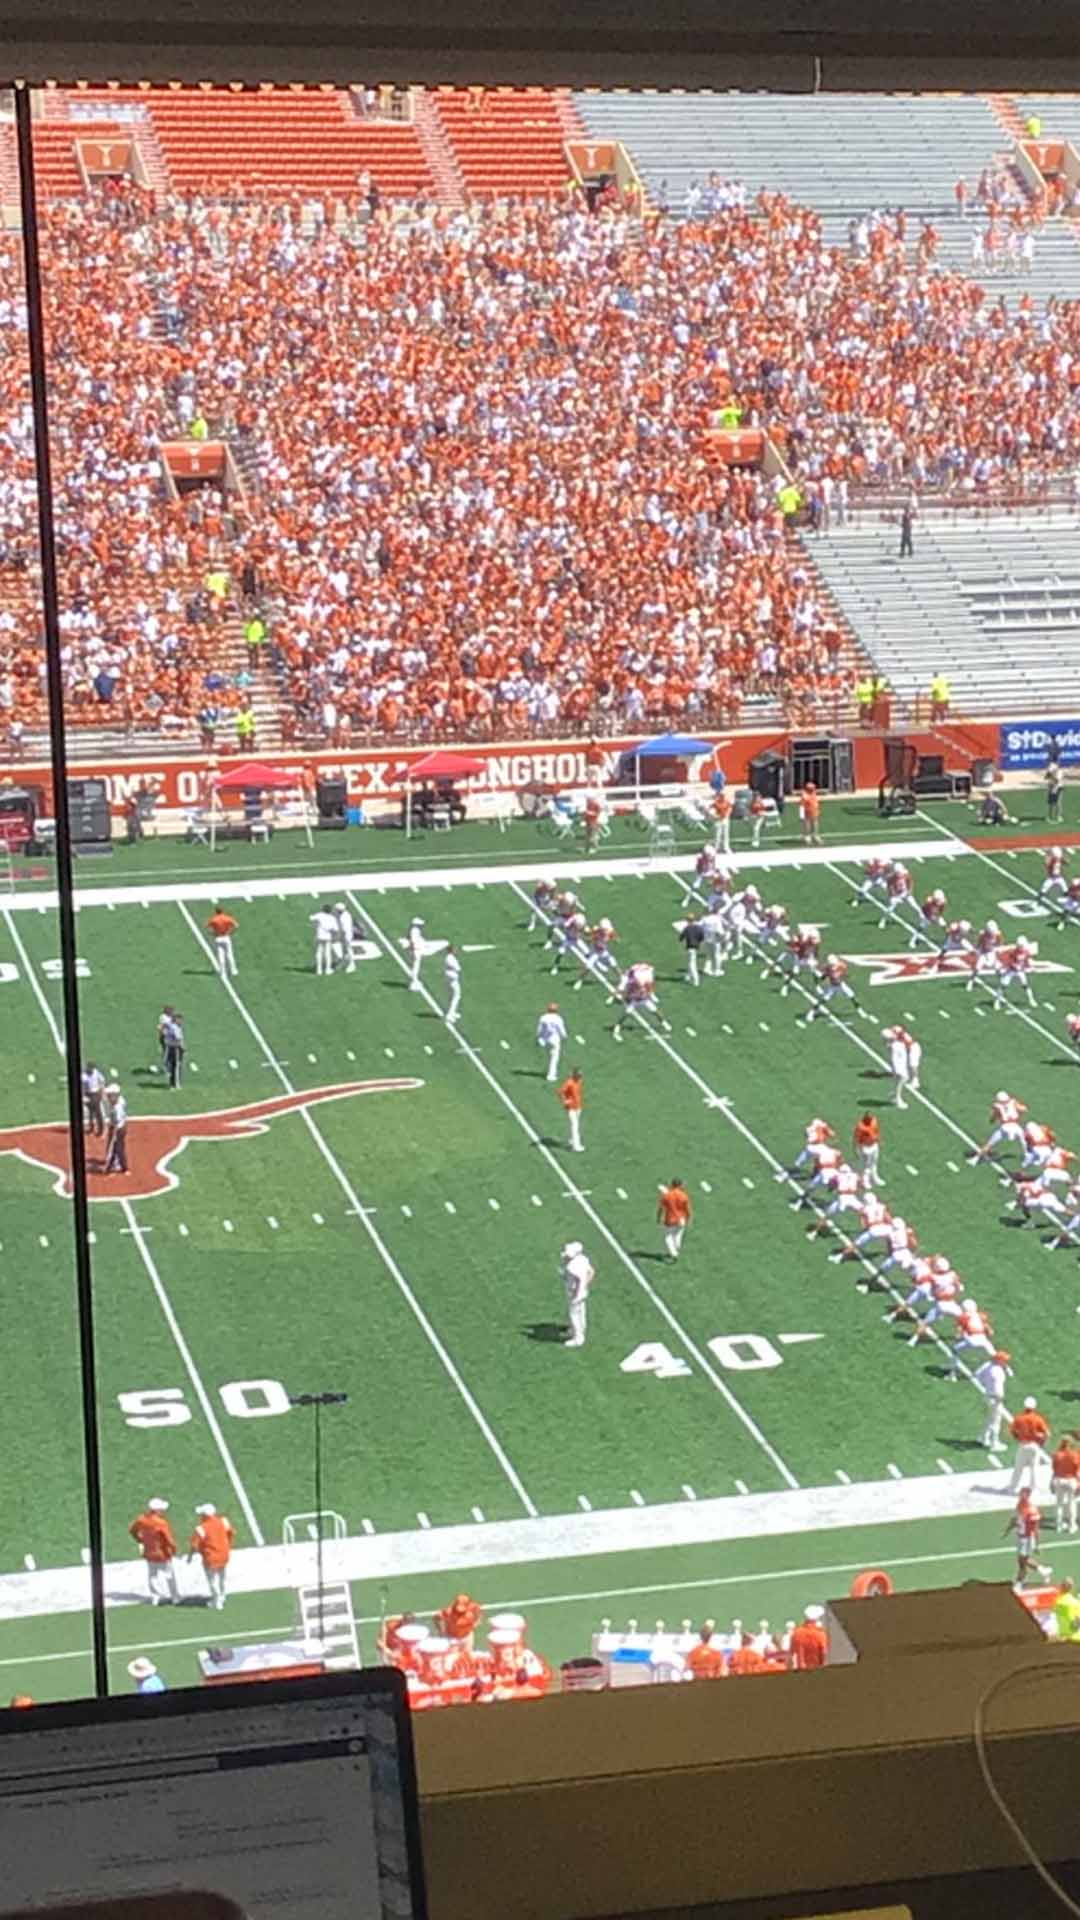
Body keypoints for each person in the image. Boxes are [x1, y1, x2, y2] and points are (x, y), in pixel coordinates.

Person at [129, 1496, 179, 1605]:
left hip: (149, 1552)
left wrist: (140, 1539)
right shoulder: (161, 1523)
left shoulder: (142, 1519)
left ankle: (155, 1597)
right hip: (163, 1553)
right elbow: (168, 1538)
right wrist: (174, 1549)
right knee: (169, 1575)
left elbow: (132, 1530)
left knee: (152, 1576)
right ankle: (174, 1596)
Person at [188, 1503, 235, 1610]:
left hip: (210, 1558)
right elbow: (231, 1533)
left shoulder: (201, 1528)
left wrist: (190, 1557)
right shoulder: (224, 1521)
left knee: (212, 1580)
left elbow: (194, 1545)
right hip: (224, 1554)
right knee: (222, 1576)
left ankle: (217, 1601)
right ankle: (223, 1595)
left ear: (204, 1515)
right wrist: (228, 1546)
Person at [1006, 1489, 1052, 1586]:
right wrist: (1009, 1528)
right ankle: (1042, 1571)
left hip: (1027, 1539)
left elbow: (1035, 1529)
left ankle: (1020, 1582)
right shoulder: (1019, 1505)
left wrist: (1037, 1545)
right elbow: (1015, 1519)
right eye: (1020, 1494)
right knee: (1021, 1561)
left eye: (1024, 1495)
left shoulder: (1032, 1510)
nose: (1021, 1496)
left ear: (1028, 1496)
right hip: (1020, 1536)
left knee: (1023, 1560)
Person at [1009, 1395, 1052, 1493]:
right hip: (1034, 1445)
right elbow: (1047, 1434)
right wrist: (1042, 1442)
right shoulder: (1038, 1419)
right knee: (1034, 1468)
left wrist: (1019, 1438)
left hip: (1023, 1444)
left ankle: (1013, 1487)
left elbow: (1012, 1431)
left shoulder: (1019, 1418)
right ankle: (1034, 1488)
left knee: (1018, 1467)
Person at [975, 1350, 1013, 1453]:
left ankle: (983, 1437)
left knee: (988, 1418)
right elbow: (998, 1390)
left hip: (987, 1395)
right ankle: (994, 1443)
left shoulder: (987, 1366)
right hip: (995, 1398)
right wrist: (1000, 1399)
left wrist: (986, 1385)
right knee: (995, 1421)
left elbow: (977, 1375)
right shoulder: (998, 1373)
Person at [560, 1240, 595, 1348]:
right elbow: (591, 1272)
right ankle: (580, 1329)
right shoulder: (583, 1259)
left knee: (574, 1314)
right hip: (582, 1291)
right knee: (581, 1311)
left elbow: (579, 1280)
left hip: (575, 1293)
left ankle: (577, 1338)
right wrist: (585, 1285)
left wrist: (576, 1292)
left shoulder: (572, 1267)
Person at [883, 1024, 922, 1109]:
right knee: (903, 1078)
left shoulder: (898, 1041)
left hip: (912, 1050)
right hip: (899, 1065)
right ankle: (897, 1097)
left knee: (911, 1066)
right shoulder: (896, 1044)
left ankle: (914, 1081)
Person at [657, 1178, 692, 1260]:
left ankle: (673, 1253)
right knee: (678, 1234)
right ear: (680, 1185)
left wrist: (658, 1218)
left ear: (672, 1185)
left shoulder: (667, 1196)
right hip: (681, 1219)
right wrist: (689, 1219)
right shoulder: (684, 1196)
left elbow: (661, 1209)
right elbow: (688, 1210)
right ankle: (677, 1247)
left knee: (668, 1237)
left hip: (670, 1219)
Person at [1052, 1435, 1080, 1536]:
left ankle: (1058, 1525)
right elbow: (1077, 1470)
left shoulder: (1057, 1454)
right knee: (1071, 1503)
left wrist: (1051, 1481)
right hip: (1071, 1480)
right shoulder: (1075, 1455)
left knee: (1059, 1504)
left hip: (1059, 1479)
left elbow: (1054, 1469)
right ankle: (1071, 1526)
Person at [788, 1604, 828, 1670]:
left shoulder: (796, 1633)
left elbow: (790, 1656)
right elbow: (824, 1654)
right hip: (817, 1671)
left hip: (800, 1672)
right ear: (817, 1619)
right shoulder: (820, 1634)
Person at [536, 1003, 567, 1083]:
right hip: (555, 1039)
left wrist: (539, 1037)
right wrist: (564, 1036)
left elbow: (540, 1029)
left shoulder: (543, 1017)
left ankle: (549, 1072)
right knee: (554, 1058)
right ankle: (551, 1075)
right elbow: (561, 1030)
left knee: (550, 1056)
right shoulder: (558, 1019)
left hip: (546, 1039)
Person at [853, 1112, 884, 1190]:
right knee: (866, 1166)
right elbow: (856, 1138)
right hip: (865, 1147)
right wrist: (857, 1148)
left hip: (874, 1145)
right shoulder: (861, 1126)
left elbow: (877, 1132)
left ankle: (875, 1177)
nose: (870, 1120)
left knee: (874, 1163)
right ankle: (865, 1181)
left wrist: (879, 1141)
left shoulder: (874, 1121)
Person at [206, 905, 239, 980]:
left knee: (221, 956)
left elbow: (207, 927)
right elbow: (236, 925)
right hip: (226, 937)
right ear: (222, 911)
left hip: (218, 938)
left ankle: (223, 973)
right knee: (229, 954)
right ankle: (233, 970)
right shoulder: (227, 918)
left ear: (216, 912)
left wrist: (213, 933)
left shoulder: (213, 919)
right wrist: (230, 932)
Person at [558, 1067, 584, 1153]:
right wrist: (565, 1101)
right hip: (571, 1108)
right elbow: (560, 1091)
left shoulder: (579, 1081)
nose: (580, 1077)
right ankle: (576, 1146)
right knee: (575, 1125)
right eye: (579, 1076)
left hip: (578, 1106)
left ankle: (572, 1140)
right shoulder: (569, 1082)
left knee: (576, 1124)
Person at [104, 1082, 129, 1174]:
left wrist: (113, 1132)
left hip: (119, 1128)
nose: (108, 1097)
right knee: (115, 1146)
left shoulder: (117, 1107)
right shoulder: (119, 1101)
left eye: (110, 1095)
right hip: (117, 1126)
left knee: (118, 1147)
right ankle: (114, 1163)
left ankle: (122, 1167)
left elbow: (117, 1122)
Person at [309, 904, 338, 976]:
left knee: (319, 952)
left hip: (320, 935)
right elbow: (335, 929)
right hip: (328, 936)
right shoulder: (332, 918)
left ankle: (319, 970)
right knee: (327, 953)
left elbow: (311, 918)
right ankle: (327, 969)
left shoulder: (319, 915)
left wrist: (316, 923)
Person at [679, 911, 706, 986]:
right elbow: (702, 937)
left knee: (692, 964)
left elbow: (681, 937)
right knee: (690, 961)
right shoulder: (699, 928)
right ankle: (688, 976)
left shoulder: (687, 928)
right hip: (696, 947)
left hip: (690, 947)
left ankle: (696, 980)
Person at [82, 1061, 106, 1136]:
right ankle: (91, 1128)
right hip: (88, 1094)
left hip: (95, 1094)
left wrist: (102, 1093)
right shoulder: (84, 1075)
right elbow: (83, 1087)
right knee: (90, 1113)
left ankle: (101, 1130)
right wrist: (83, 1096)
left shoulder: (96, 1073)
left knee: (98, 1113)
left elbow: (102, 1082)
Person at [162, 1010, 185, 1090]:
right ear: (176, 1020)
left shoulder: (173, 1026)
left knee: (172, 1067)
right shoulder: (175, 1027)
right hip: (174, 1048)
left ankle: (173, 1084)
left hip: (171, 1047)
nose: (181, 1021)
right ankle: (175, 1084)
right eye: (180, 1019)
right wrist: (182, 1047)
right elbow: (178, 1039)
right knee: (175, 1067)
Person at [799, 780, 822, 848]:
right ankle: (807, 836)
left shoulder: (814, 793)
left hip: (814, 812)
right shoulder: (804, 795)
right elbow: (801, 805)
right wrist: (801, 816)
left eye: (813, 788)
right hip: (807, 813)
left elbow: (816, 802)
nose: (813, 789)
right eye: (811, 788)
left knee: (815, 824)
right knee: (807, 825)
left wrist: (818, 811)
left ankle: (815, 836)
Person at [406, 916, 427, 990]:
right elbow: (413, 941)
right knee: (415, 967)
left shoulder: (414, 930)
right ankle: (413, 983)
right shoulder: (414, 931)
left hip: (415, 950)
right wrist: (414, 949)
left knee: (415, 966)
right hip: (415, 951)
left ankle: (414, 980)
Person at [443, 944, 462, 1024]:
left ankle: (452, 1012)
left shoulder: (448, 958)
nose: (456, 951)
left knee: (452, 996)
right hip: (452, 979)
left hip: (449, 978)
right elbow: (458, 968)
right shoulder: (451, 959)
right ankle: (449, 1015)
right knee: (456, 996)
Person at [1046, 755, 1065, 823]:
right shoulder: (1051, 767)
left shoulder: (1060, 770)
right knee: (1051, 803)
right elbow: (1046, 777)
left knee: (1058, 802)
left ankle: (1059, 816)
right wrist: (1050, 774)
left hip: (1059, 786)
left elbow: (1057, 780)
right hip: (1052, 786)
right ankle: (1049, 817)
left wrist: (1053, 775)